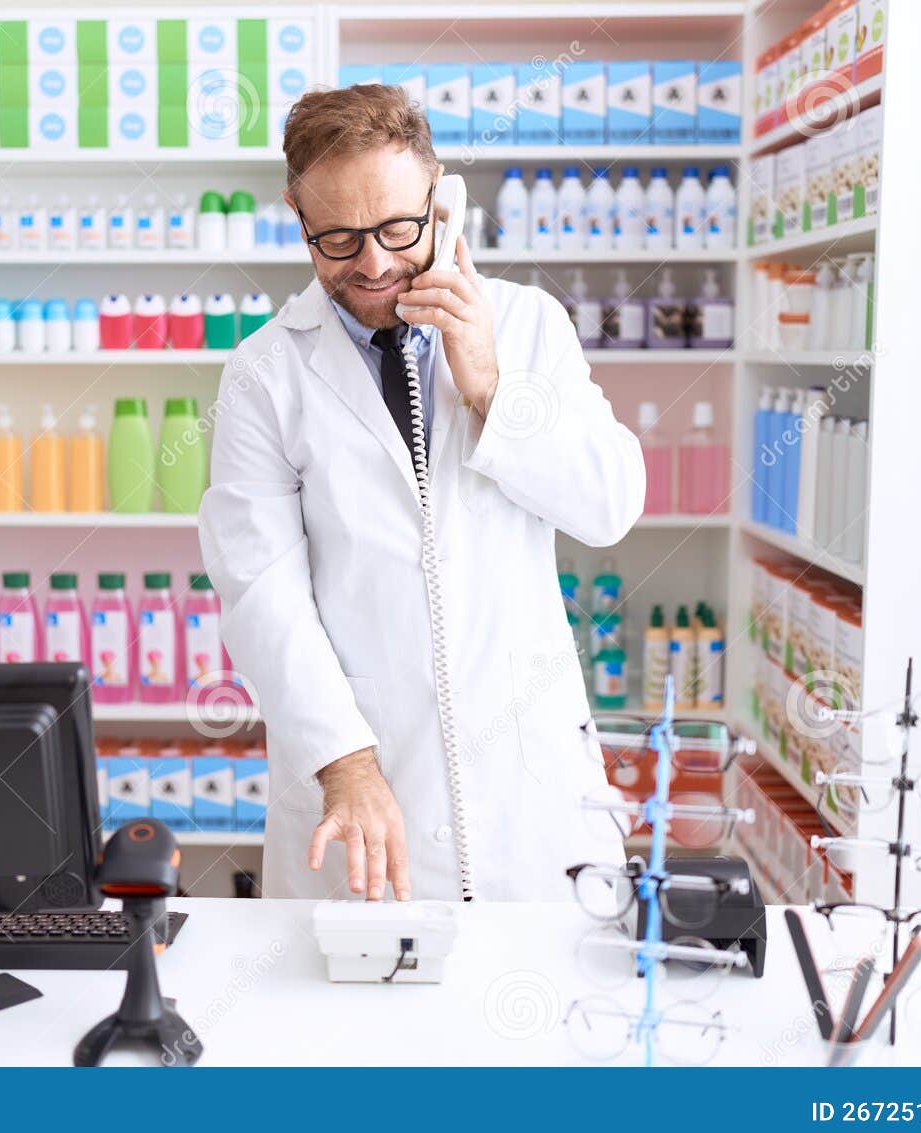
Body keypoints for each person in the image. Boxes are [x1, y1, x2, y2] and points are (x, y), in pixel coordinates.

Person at [197, 84, 645, 901]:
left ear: (441, 200)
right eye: (336, 237)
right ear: (296, 215)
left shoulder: (528, 325)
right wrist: (345, 761)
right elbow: (261, 591)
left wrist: (492, 387)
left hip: (528, 804)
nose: (371, 263)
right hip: (362, 806)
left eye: (396, 228)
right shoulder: (264, 374)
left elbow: (609, 503)